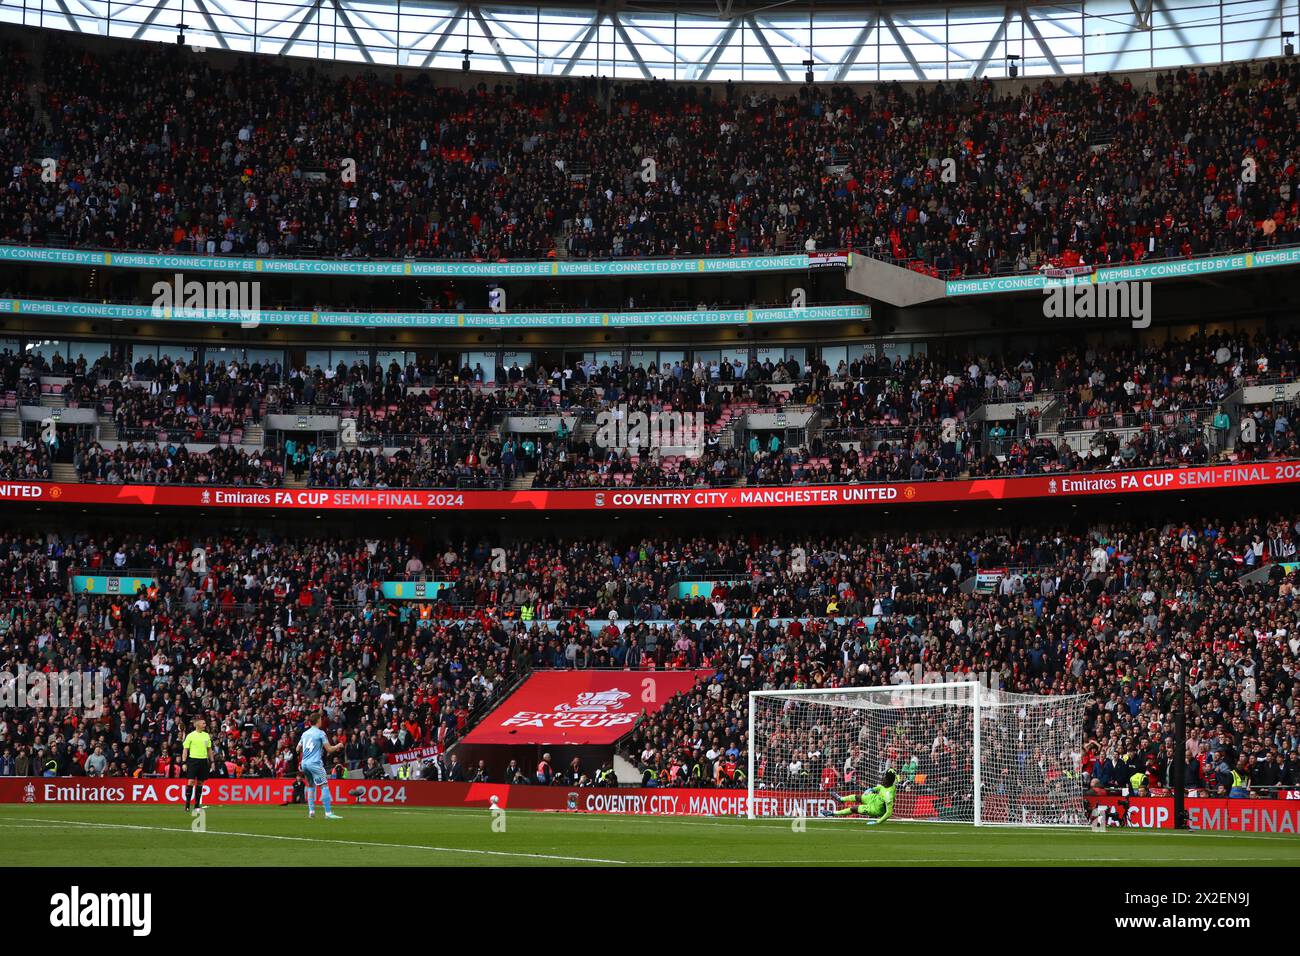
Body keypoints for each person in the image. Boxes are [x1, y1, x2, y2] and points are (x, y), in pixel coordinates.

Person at [297, 711, 345, 819]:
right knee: (324, 785)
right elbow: (329, 749)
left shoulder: (305, 734)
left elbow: (297, 748)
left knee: (310, 785)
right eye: (320, 719)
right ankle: (328, 813)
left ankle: (312, 812)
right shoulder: (320, 733)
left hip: (304, 763)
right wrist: (338, 745)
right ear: (318, 721)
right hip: (315, 763)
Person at [824, 768, 897, 823]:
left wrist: (878, 822)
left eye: (885, 777)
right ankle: (840, 799)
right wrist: (872, 789)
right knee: (857, 797)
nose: (883, 778)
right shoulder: (889, 783)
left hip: (875, 809)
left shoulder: (888, 795)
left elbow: (889, 812)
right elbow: (882, 787)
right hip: (875, 798)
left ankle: (833, 813)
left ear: (888, 780)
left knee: (854, 809)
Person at [181, 716, 214, 812]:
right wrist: (184, 762)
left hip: (203, 761)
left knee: (200, 783)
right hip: (193, 761)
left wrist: (212, 762)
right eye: (203, 723)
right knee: (190, 781)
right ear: (197, 724)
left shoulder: (206, 735)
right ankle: (187, 804)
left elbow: (209, 749)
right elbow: (185, 750)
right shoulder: (190, 735)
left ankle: (196, 805)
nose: (205, 725)